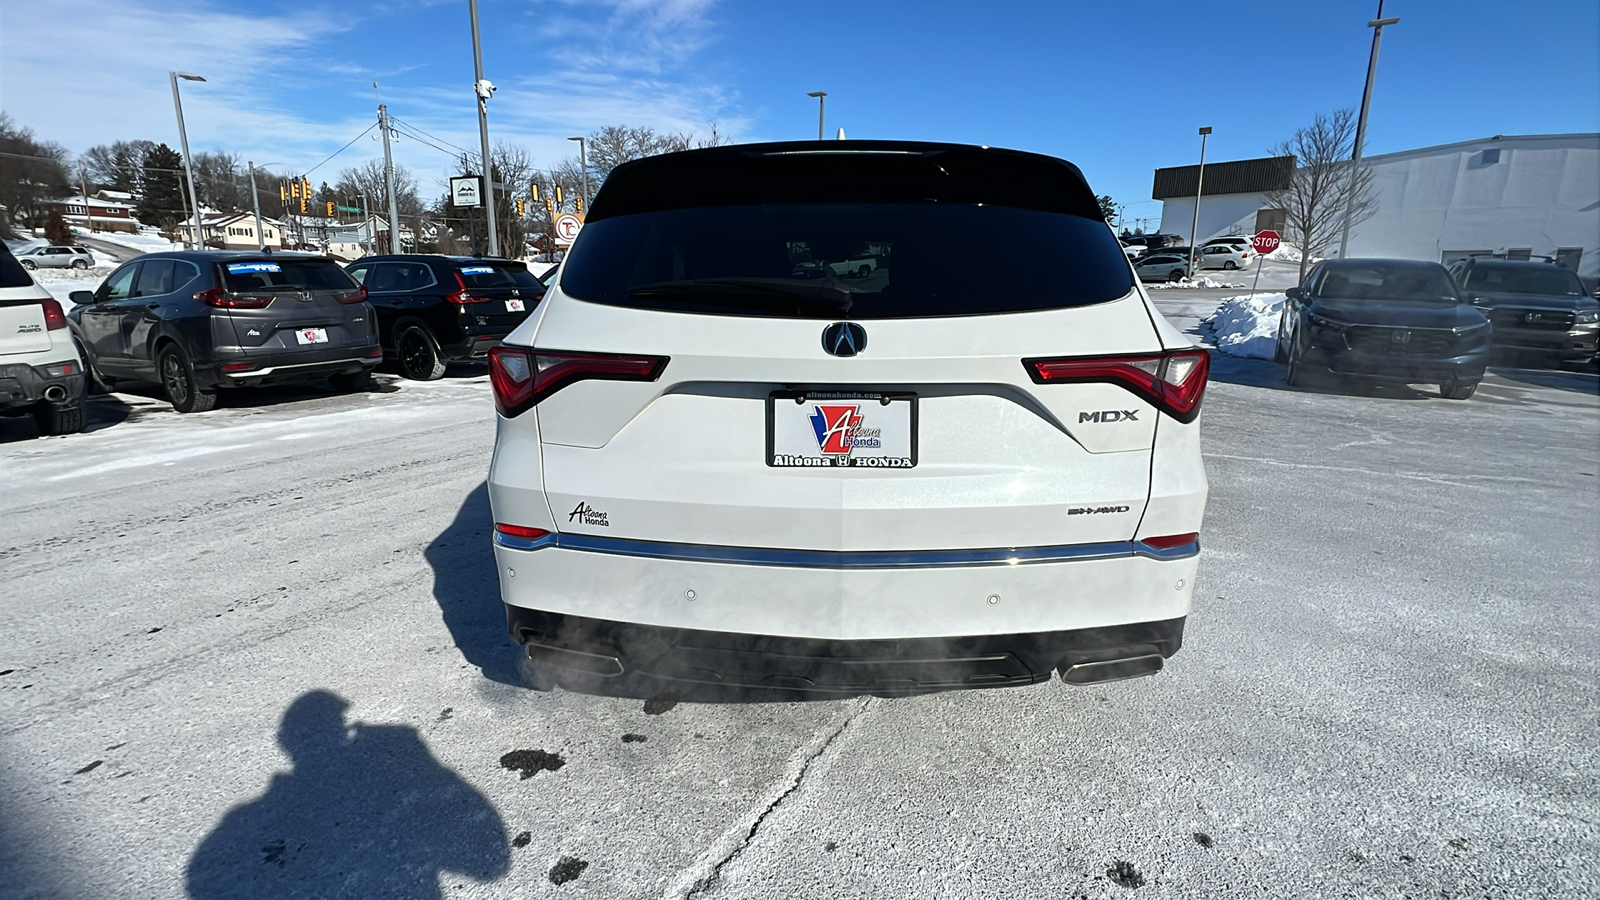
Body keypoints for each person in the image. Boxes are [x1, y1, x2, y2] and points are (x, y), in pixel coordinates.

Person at [187, 691, 509, 899]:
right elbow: (490, 864)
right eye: (339, 721)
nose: (343, 726)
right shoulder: (246, 823)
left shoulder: (235, 829)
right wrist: (423, 762)